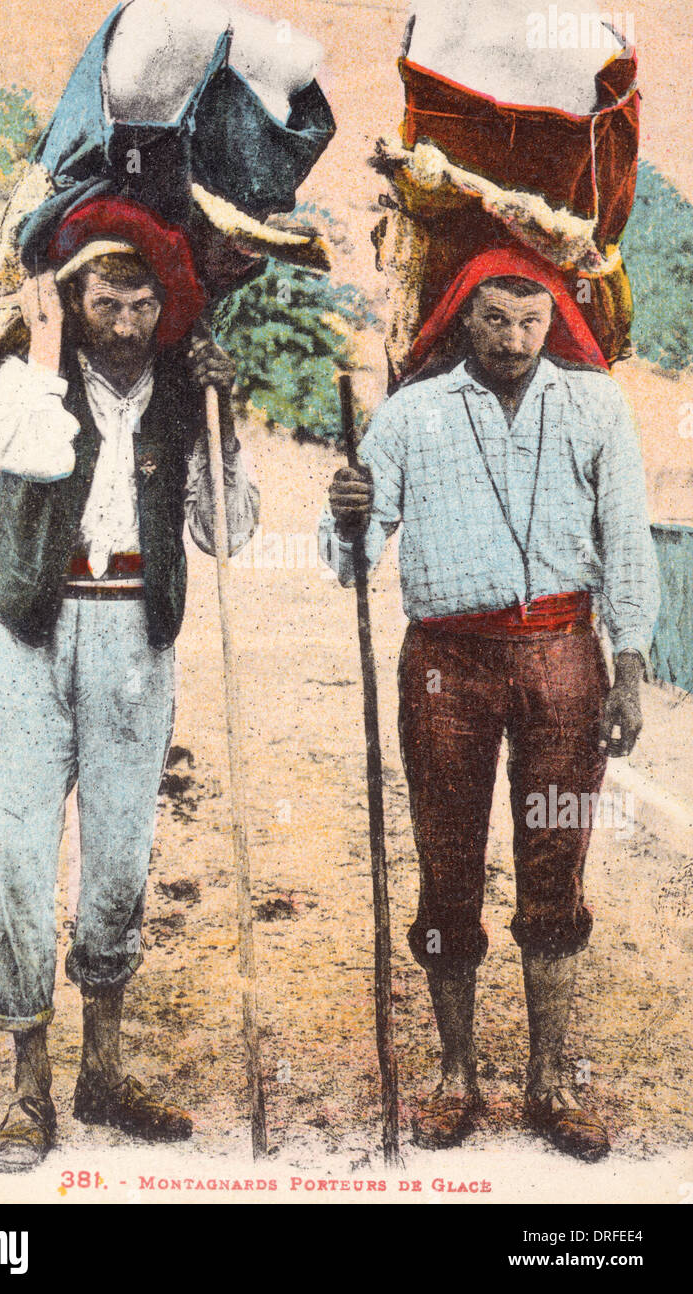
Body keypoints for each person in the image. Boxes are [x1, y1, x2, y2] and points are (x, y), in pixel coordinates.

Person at [320, 248, 660, 1161]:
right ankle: (454, 1076)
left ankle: (552, 1080)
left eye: (531, 320)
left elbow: (627, 542)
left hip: (561, 660)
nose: (513, 339)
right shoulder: (409, 416)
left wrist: (627, 668)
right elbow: (354, 560)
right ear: (462, 319)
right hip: (446, 665)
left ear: (555, 323)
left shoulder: (595, 407)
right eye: (495, 318)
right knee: (447, 858)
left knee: (556, 857)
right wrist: (345, 509)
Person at [0, 196, 259, 1170]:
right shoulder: (25, 375)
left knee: (120, 863)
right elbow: (24, 454)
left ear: (165, 305)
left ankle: (103, 1070)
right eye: (107, 299)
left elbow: (231, 533)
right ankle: (26, 1090)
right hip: (27, 630)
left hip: (136, 632)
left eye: (144, 303)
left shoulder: (187, 389)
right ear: (73, 296)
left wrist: (224, 432)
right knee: (15, 851)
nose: (127, 322)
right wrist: (51, 354)